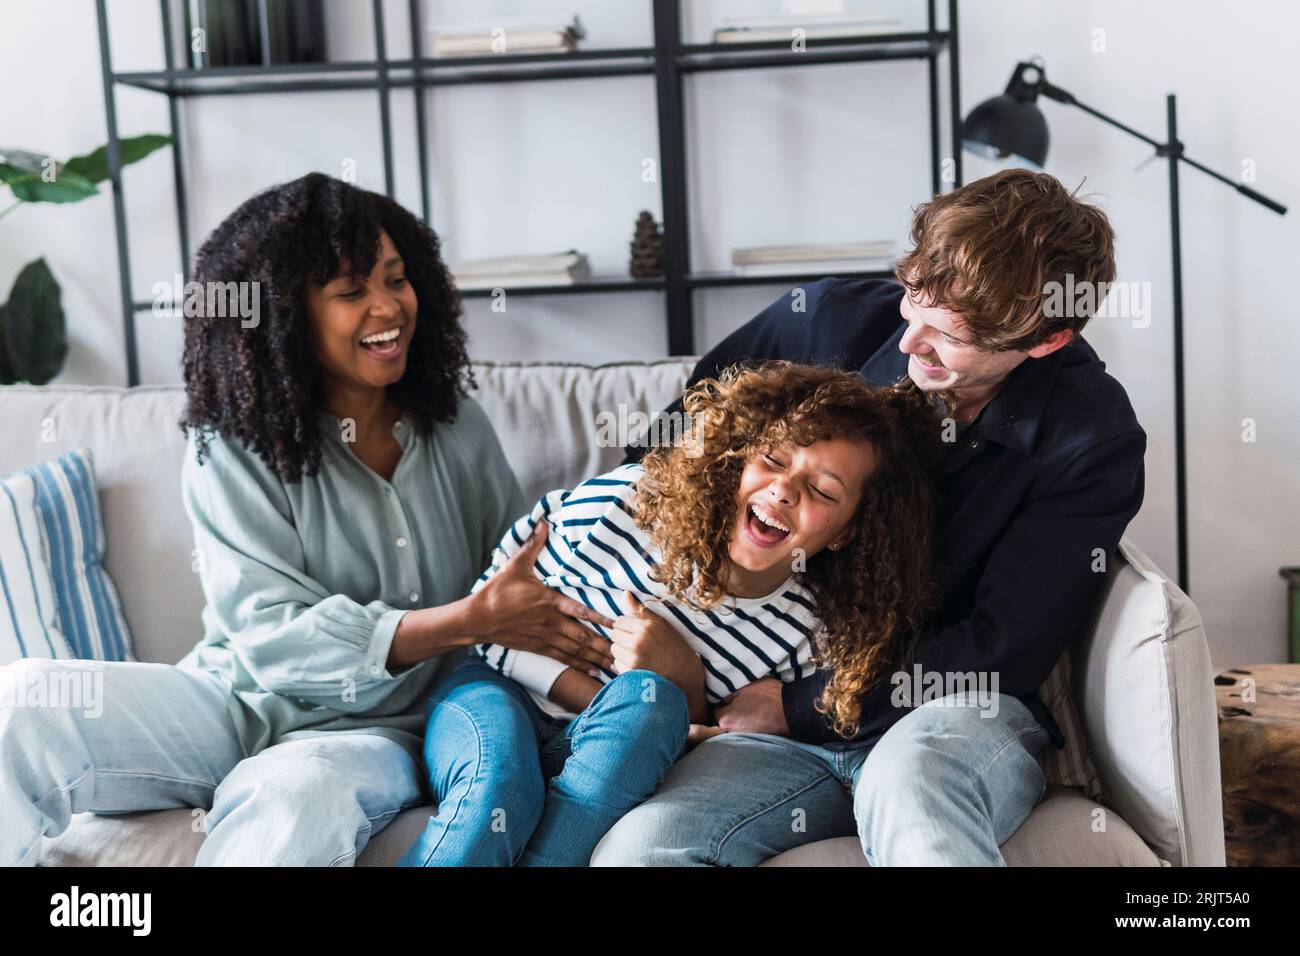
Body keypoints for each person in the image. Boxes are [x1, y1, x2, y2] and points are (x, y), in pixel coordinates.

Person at [0, 172, 613, 866]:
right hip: (232, 702)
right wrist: (467, 618)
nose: (388, 306)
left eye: (397, 278)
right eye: (353, 291)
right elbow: (271, 638)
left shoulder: (455, 426)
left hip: (381, 731)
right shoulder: (233, 445)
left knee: (298, 795)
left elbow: (520, 596)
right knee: (22, 700)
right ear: (288, 314)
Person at [594, 167, 1147, 866]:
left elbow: (1006, 647)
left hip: (949, 719)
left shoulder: (1092, 438)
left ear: (1045, 342)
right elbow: (667, 455)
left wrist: (800, 705)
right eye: (913, 300)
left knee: (911, 786)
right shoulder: (826, 317)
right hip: (768, 710)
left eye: (950, 335)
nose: (911, 341)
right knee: (641, 848)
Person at [400, 363, 940, 866]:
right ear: (735, 457)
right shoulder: (623, 509)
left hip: (615, 755)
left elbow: (735, 748)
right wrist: (605, 702)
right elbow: (491, 628)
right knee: (499, 787)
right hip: (499, 693)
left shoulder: (806, 633)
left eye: (822, 490)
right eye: (773, 460)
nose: (783, 489)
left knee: (651, 702)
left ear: (847, 532)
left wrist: (679, 696)